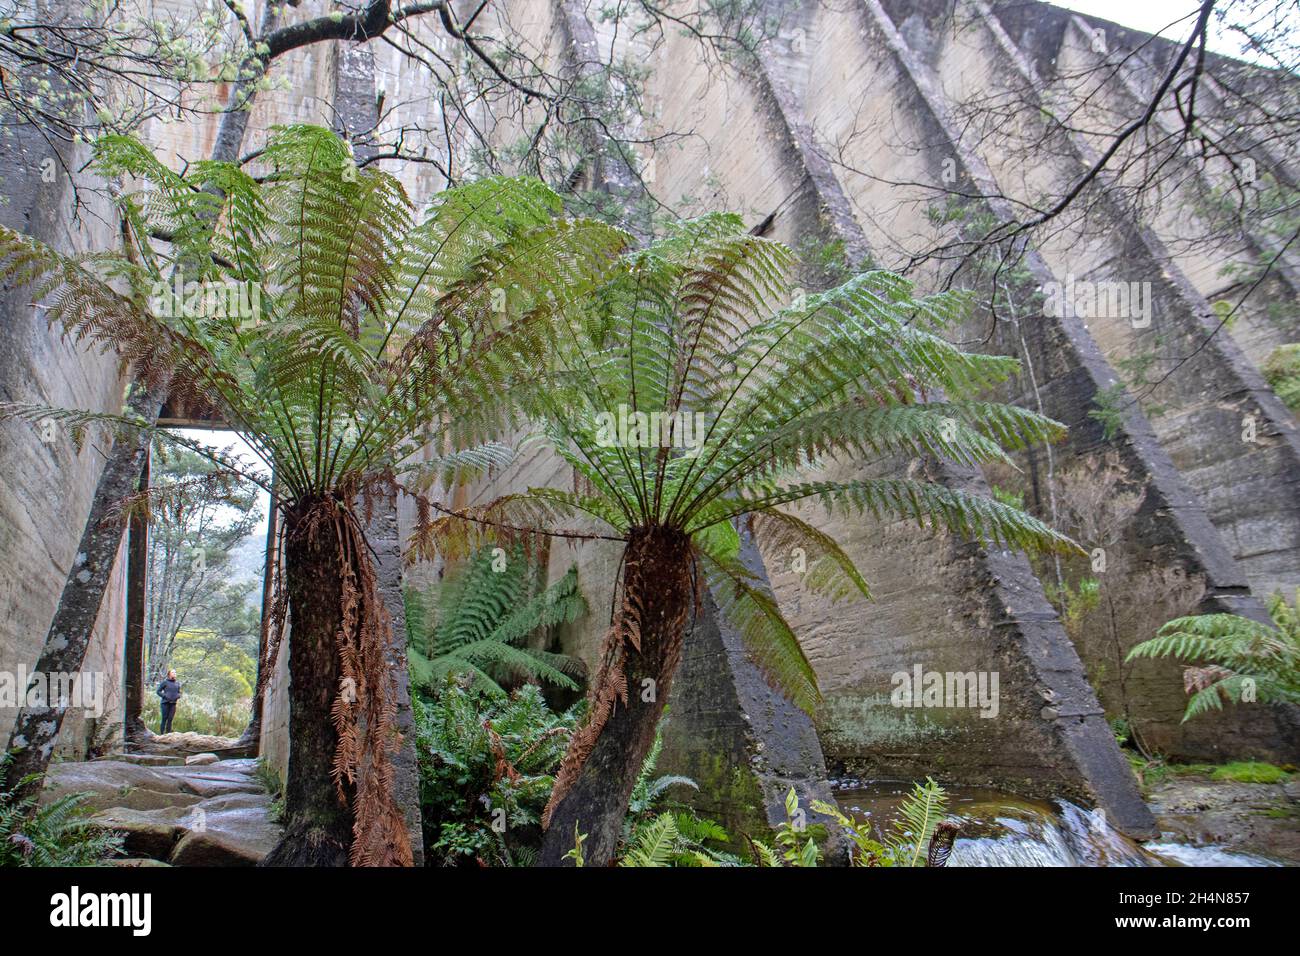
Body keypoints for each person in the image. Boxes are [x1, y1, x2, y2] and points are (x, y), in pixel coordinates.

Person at [156, 669, 182, 734]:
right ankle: (162, 735)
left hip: (173, 704)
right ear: (169, 674)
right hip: (165, 703)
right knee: (164, 719)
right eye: (173, 672)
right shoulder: (165, 682)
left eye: (175, 672)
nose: (174, 673)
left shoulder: (177, 683)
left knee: (170, 719)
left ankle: (168, 735)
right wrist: (165, 696)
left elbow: (179, 692)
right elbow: (158, 691)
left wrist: (178, 696)